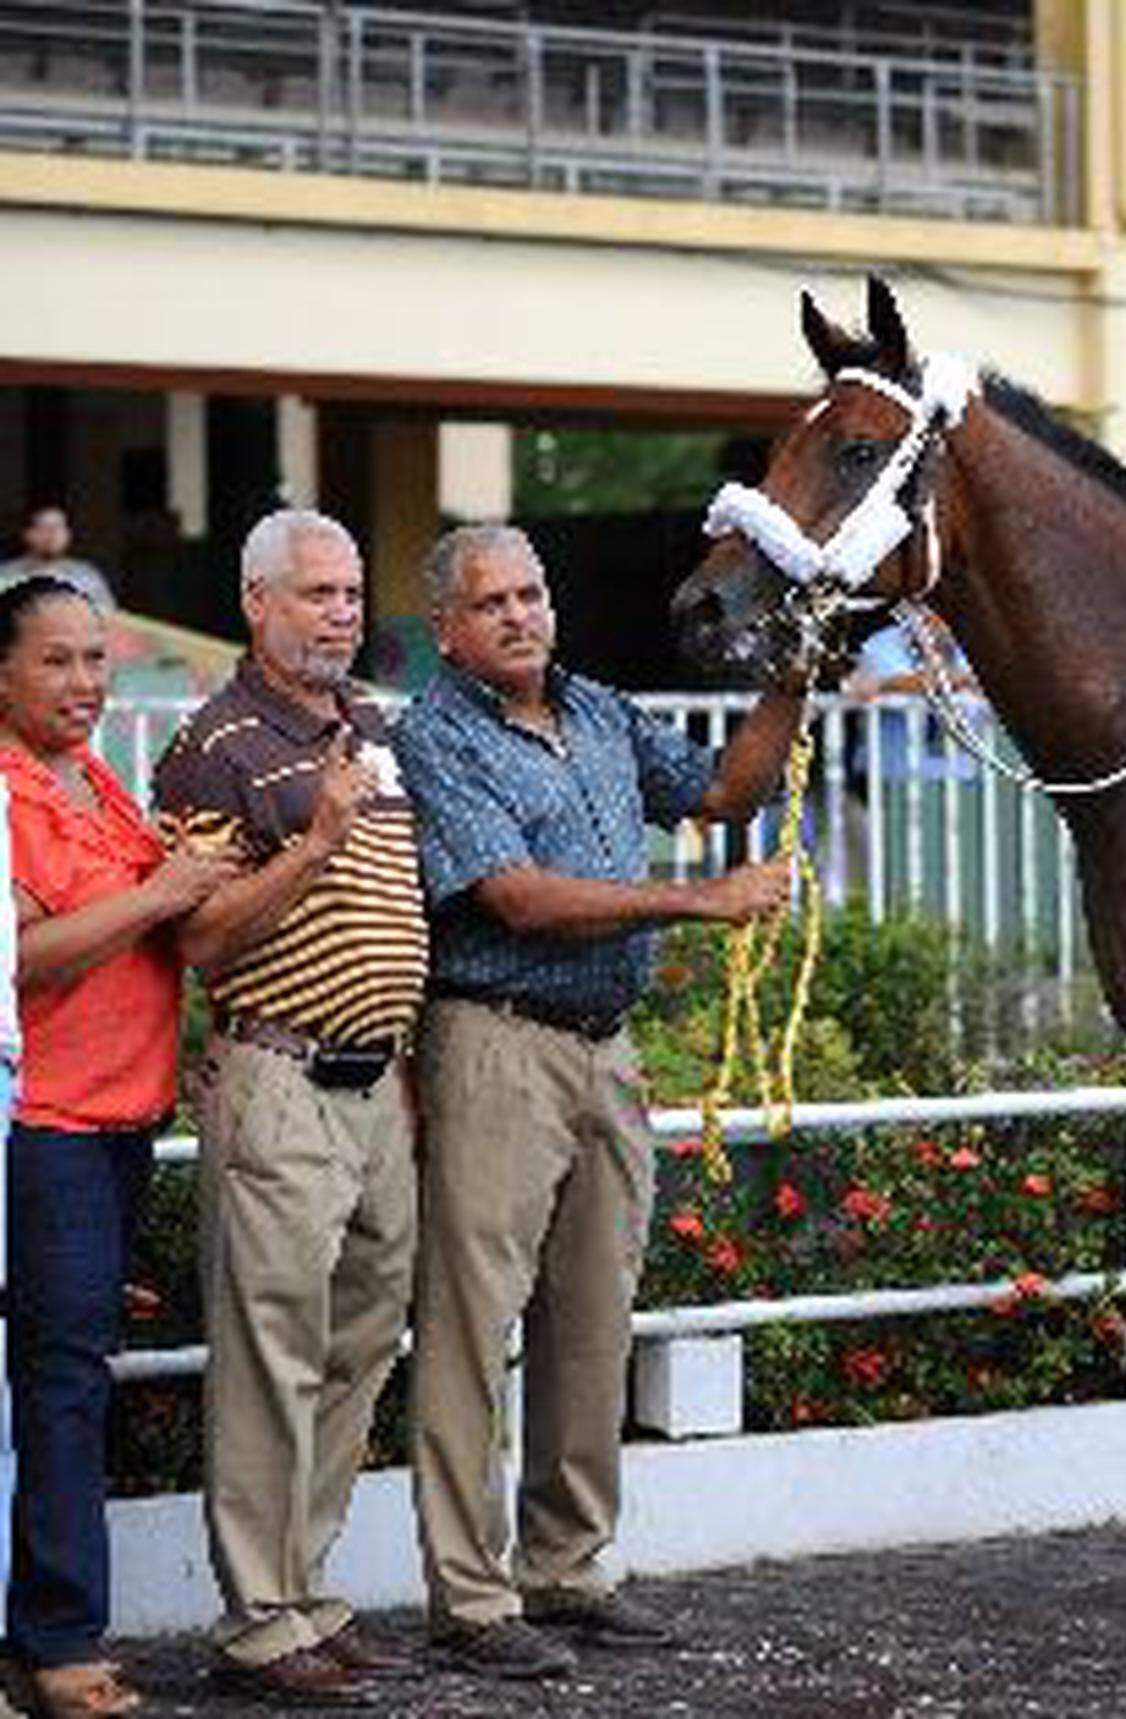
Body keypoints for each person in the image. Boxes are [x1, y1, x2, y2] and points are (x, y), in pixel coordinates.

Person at [393, 524, 803, 1680]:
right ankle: (471, 1601)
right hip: (494, 1040)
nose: (520, 615)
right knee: (472, 1327)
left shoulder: (603, 712)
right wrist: (700, 903)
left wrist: (793, 679)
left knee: (591, 1318)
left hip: (603, 1050)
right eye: (492, 603)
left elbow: (724, 790)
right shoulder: (435, 735)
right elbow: (516, 899)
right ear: (448, 631)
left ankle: (567, 1570)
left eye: (531, 594)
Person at [151, 508, 431, 1704]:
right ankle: (259, 1622)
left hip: (376, 1090)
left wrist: (406, 1069)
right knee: (271, 1357)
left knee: (358, 1347)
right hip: (278, 1077)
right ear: (256, 602)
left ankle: (306, 1591)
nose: (342, 612)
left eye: (353, 592)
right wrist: (312, 844)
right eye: (317, 593)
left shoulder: (371, 726)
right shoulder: (214, 745)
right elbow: (198, 939)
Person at [2, 577, 235, 1719]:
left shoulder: (93, 781)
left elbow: (157, 928)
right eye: (56, 660)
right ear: (1, 674)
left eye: (96, 659)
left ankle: (46, 1627)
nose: (86, 682)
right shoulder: (6, 792)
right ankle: (55, 1641)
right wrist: (164, 894)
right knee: (60, 1380)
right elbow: (22, 959)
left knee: (74, 1373)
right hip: (45, 1124)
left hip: (121, 1122)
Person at [0, 511, 113, 613]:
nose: (52, 534)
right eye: (44, 528)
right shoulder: (6, 575)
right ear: (28, 534)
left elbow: (107, 615)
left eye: (59, 527)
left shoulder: (86, 576)